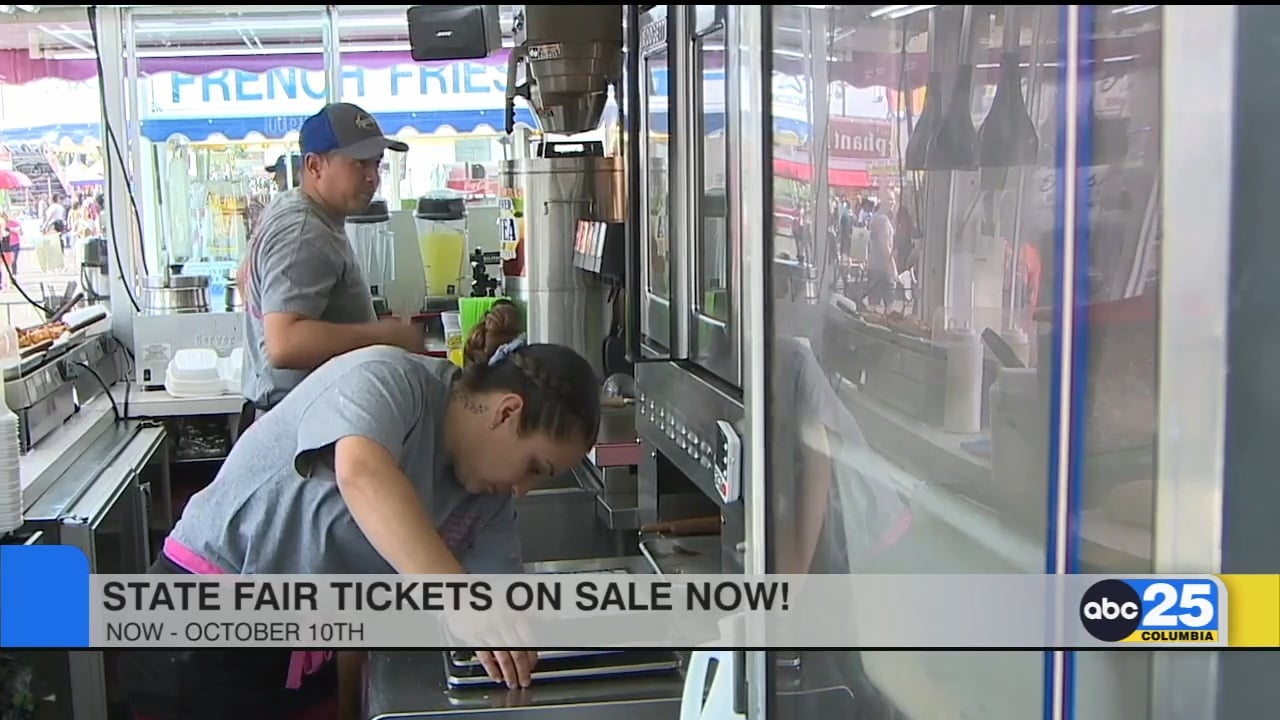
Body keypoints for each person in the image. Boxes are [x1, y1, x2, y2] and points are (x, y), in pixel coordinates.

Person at [121, 301, 602, 720]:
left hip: (300, 647)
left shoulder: (488, 501)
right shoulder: (388, 380)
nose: (523, 489)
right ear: (506, 412)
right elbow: (361, 473)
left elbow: (498, 603)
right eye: (534, 467)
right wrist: (460, 598)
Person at [238, 102, 421, 423]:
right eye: (359, 164)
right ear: (314, 166)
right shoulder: (303, 231)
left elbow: (244, 276)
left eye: (377, 164)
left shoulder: (295, 208)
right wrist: (386, 336)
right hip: (296, 424)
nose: (372, 178)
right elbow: (283, 345)